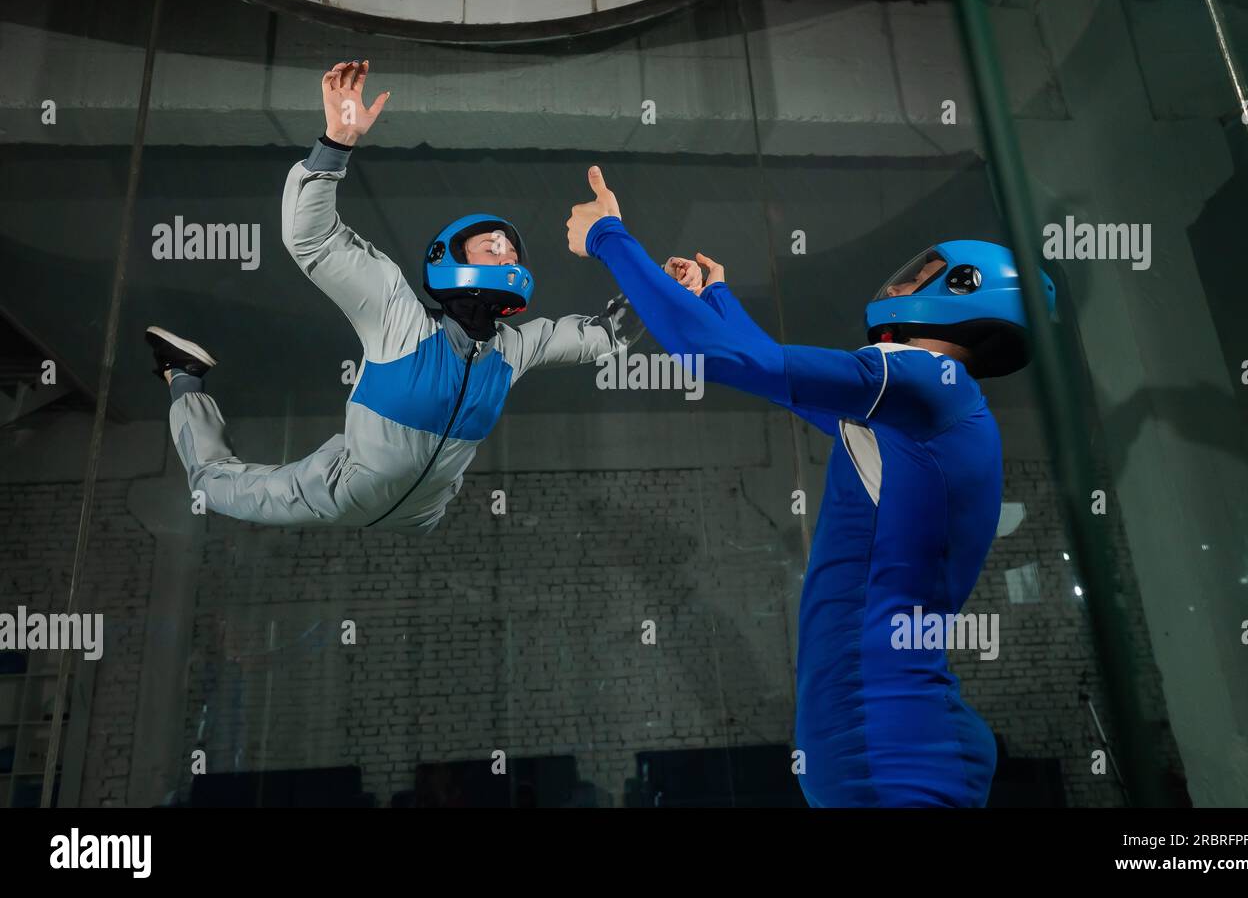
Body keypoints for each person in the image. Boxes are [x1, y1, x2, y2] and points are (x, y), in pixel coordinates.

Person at [566, 166, 1057, 808]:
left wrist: (608, 235)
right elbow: (773, 371)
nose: (902, 282)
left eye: (920, 272)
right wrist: (713, 297)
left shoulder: (922, 380)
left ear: (963, 288)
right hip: (894, 741)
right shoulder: (934, 411)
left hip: (890, 748)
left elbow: (722, 357)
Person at [145, 62, 640, 534]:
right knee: (211, 484)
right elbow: (312, 241)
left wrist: (660, 284)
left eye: (511, 250)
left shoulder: (513, 350)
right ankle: (183, 377)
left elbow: (606, 335)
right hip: (339, 493)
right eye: (491, 245)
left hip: (421, 516)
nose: (506, 252)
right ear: (451, 256)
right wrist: (336, 143)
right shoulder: (396, 314)